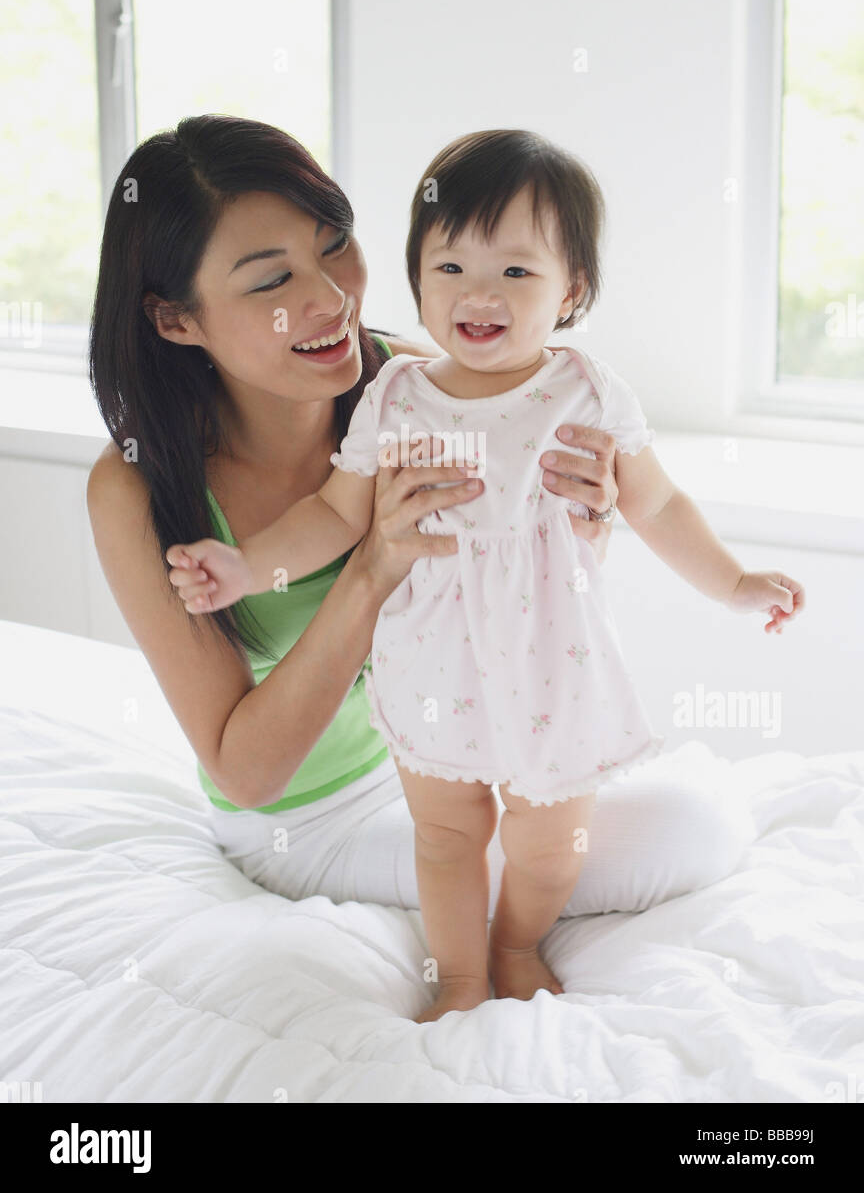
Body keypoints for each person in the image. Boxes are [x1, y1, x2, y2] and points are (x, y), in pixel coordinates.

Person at [161, 126, 803, 1023]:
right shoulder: (396, 397)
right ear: (419, 278)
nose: (479, 295)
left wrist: (734, 584)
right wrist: (243, 567)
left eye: (515, 272)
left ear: (571, 291)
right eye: (450, 268)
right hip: (434, 669)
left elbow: (655, 505)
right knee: (448, 835)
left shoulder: (588, 393)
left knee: (549, 845)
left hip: (554, 669)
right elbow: (333, 518)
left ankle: (516, 939)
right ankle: (460, 974)